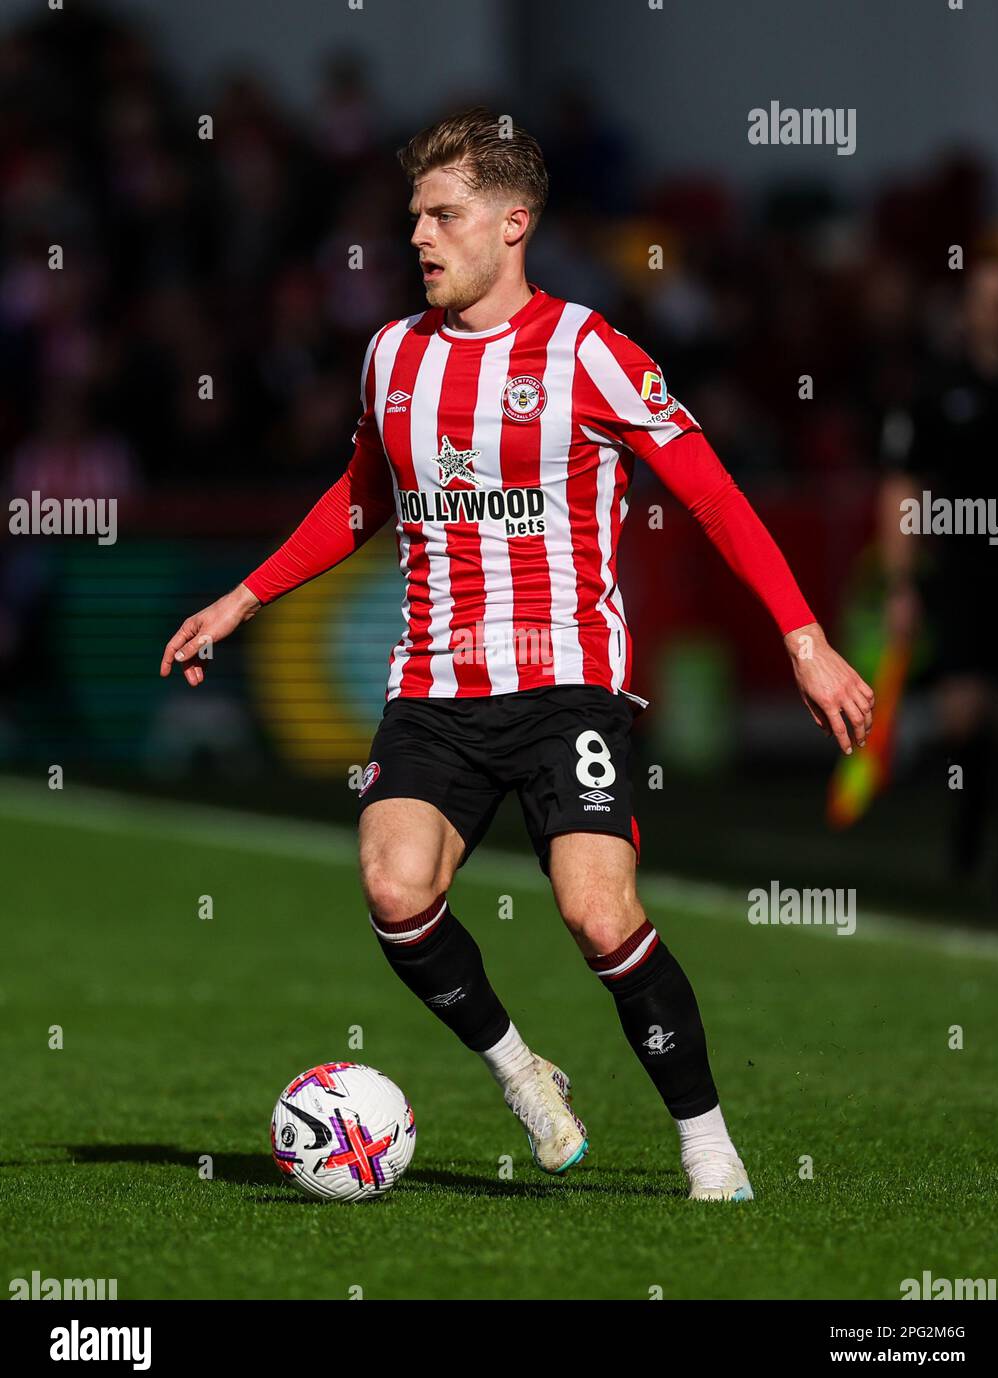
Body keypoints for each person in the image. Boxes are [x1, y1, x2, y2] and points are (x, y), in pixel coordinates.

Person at [161, 108, 873, 1201]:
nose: (421, 238)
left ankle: (706, 1144)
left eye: (444, 216)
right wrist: (243, 597)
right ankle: (519, 1073)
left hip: (567, 688)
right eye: (414, 219)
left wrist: (806, 641)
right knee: (395, 888)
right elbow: (360, 501)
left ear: (513, 222)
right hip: (435, 686)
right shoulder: (390, 355)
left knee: (598, 912)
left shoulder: (591, 351)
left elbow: (713, 495)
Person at [879, 258, 998, 901]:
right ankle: (965, 841)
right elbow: (904, 487)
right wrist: (902, 582)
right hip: (962, 570)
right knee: (965, 713)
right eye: (988, 299)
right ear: (969, 309)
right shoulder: (937, 391)